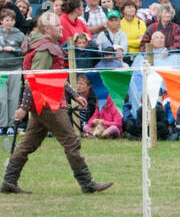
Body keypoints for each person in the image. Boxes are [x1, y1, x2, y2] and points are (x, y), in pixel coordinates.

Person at [2, 12, 113, 194]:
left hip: (45, 102)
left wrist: (74, 95)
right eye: (57, 26)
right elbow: (34, 80)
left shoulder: (45, 46)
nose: (61, 28)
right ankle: (87, 184)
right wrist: (23, 107)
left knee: (28, 144)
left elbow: (55, 76)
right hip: (48, 103)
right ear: (47, 29)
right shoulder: (45, 48)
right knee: (71, 141)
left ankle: (9, 181)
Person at [0, 9, 28, 133]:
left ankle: (11, 126)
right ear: (2, 21)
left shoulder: (19, 34)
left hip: (15, 69)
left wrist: (13, 49)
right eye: (7, 20)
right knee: (2, 98)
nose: (9, 23)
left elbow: (24, 51)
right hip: (1, 70)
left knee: (13, 97)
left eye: (11, 20)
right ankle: (2, 125)